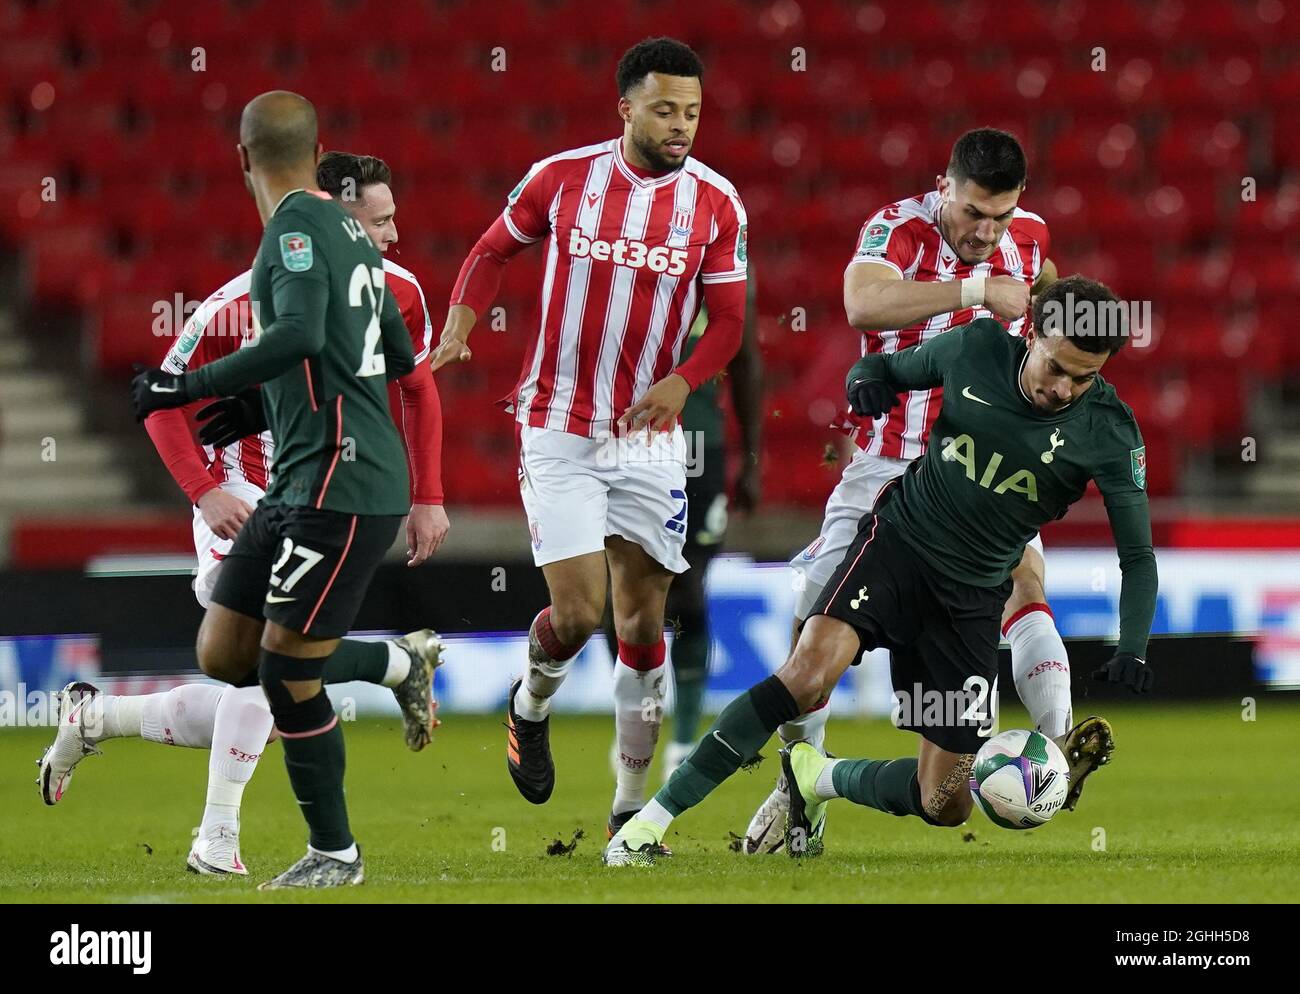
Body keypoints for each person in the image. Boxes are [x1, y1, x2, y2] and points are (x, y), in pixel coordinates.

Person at [605, 274, 1157, 865]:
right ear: (1033, 336)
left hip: (970, 603)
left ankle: (814, 775)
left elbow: (1137, 556)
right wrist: (863, 383)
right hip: (897, 548)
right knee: (806, 675)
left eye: (1084, 378)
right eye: (1057, 368)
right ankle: (645, 826)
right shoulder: (976, 348)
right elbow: (882, 369)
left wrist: (1133, 647)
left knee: (945, 801)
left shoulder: (1111, 433)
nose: (1065, 389)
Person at [38, 151, 447, 880]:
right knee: (265, 670)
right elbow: (162, 402)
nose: (393, 235)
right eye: (379, 221)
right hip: (246, 498)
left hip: (326, 494)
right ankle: (224, 832)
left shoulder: (400, 290)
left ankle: (102, 723)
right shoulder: (234, 304)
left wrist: (430, 494)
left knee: (257, 675)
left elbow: (411, 385)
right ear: (336, 217)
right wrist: (204, 491)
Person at [745, 128, 1110, 855]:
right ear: (945, 187)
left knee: (1024, 582)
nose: (987, 232)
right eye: (974, 212)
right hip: (890, 461)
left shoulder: (1029, 238)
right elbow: (862, 303)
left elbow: (1051, 295)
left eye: (1001, 216)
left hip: (981, 461)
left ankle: (1056, 743)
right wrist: (977, 290)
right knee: (812, 617)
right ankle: (797, 779)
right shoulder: (897, 229)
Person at [432, 37, 747, 835]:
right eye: (666, 110)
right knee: (577, 617)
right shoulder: (562, 178)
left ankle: (629, 812)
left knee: (642, 625)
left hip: (649, 437)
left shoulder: (717, 204)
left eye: (693, 112)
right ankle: (530, 705)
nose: (681, 126)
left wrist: (684, 381)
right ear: (627, 108)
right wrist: (461, 323)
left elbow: (731, 322)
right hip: (559, 424)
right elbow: (491, 250)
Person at [126, 91, 426, 888]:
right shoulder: (354, 238)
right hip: (299, 481)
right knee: (226, 653)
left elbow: (297, 335)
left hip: (339, 484)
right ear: (318, 152)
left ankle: (336, 853)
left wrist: (185, 385)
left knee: (286, 675)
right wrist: (265, 406)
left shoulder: (292, 231)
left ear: (241, 159)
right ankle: (396, 664)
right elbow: (393, 361)